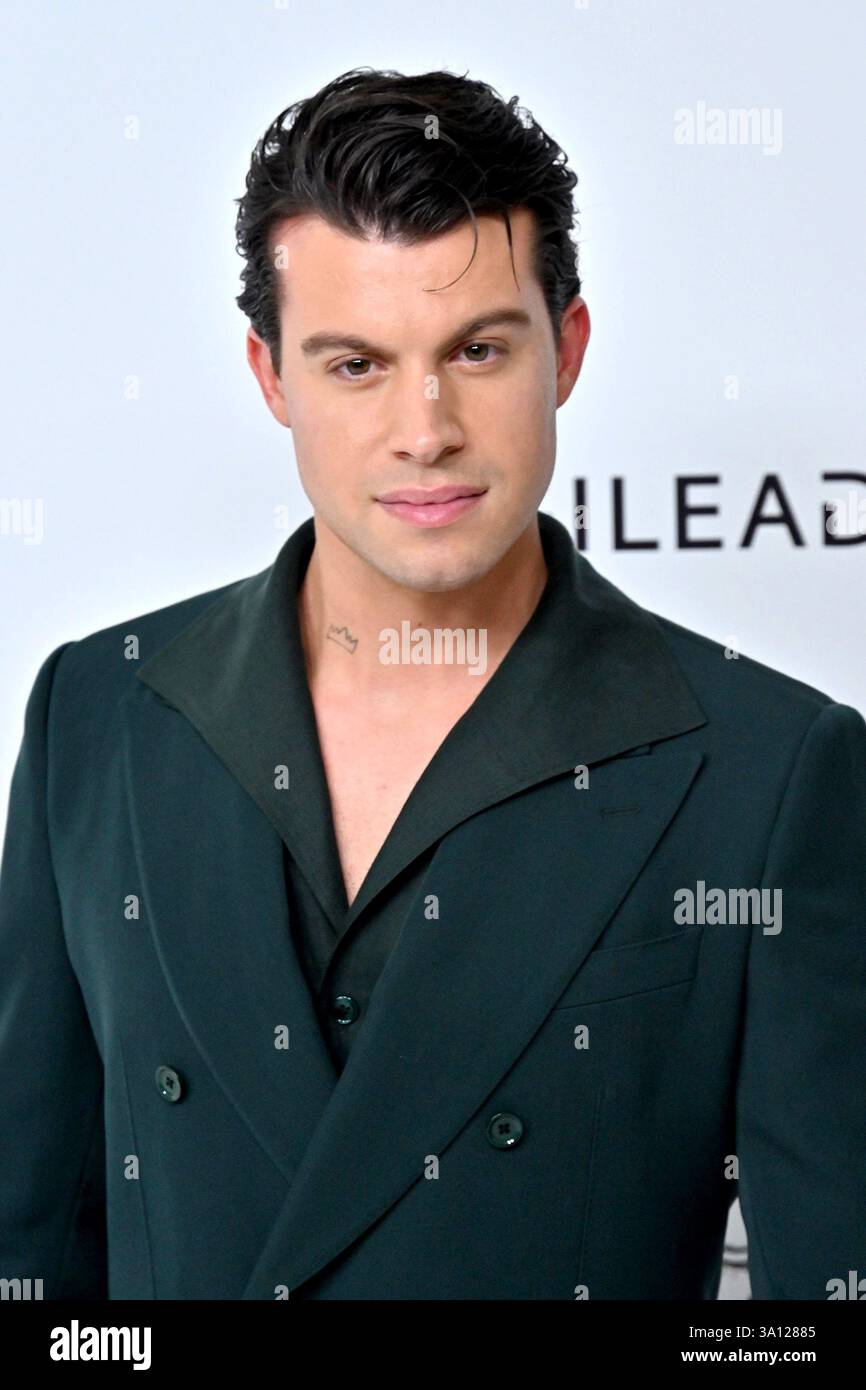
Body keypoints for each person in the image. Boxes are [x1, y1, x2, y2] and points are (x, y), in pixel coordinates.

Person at [1, 66, 864, 1302]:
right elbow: (29, 1246)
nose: (425, 427)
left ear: (563, 349)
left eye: (476, 349)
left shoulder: (769, 769)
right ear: (270, 376)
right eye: (354, 364)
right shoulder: (98, 715)